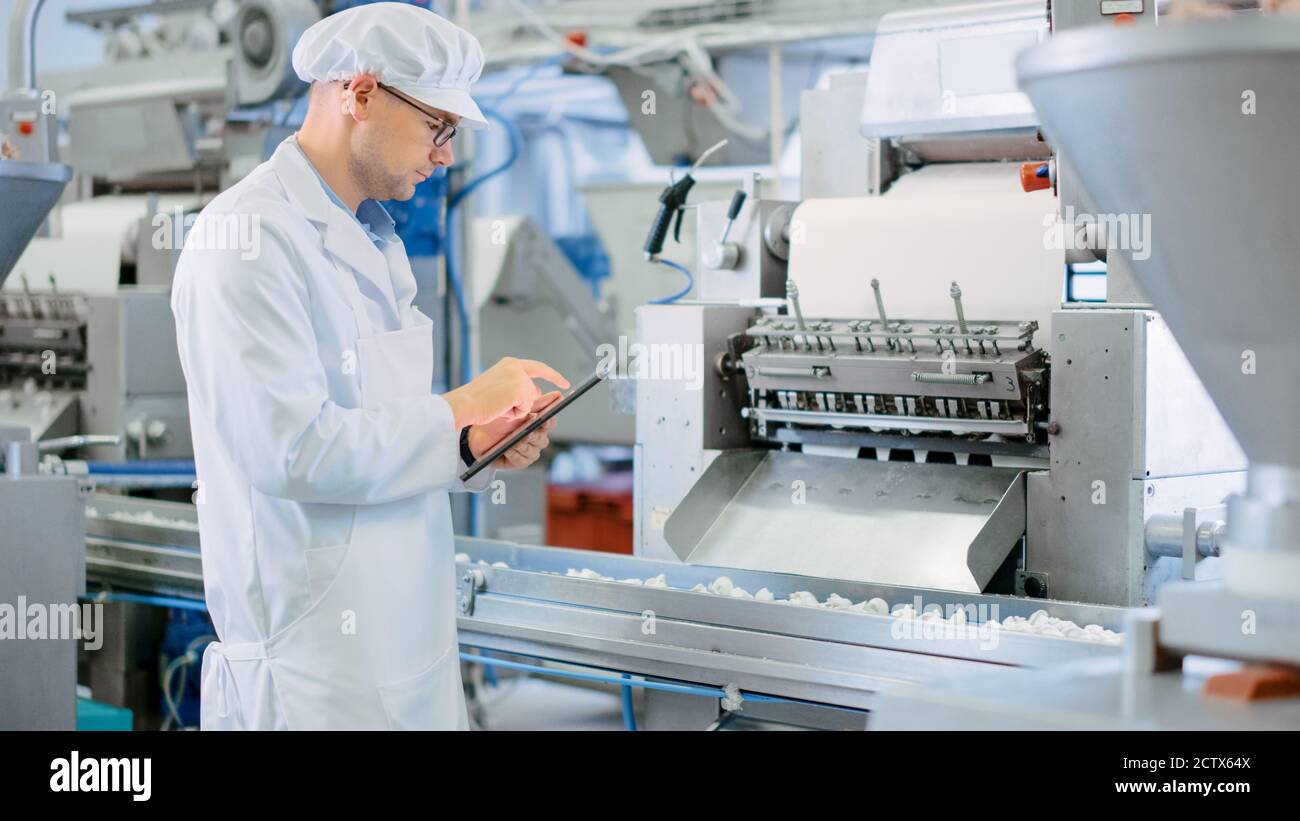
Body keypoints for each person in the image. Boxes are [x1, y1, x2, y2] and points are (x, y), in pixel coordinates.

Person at [171, 2, 567, 730]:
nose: (445, 153)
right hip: (317, 678)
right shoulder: (245, 239)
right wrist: (460, 406)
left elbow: (372, 434)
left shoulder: (372, 240)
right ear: (359, 93)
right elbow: (291, 449)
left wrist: (467, 443)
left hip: (405, 655)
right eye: (437, 127)